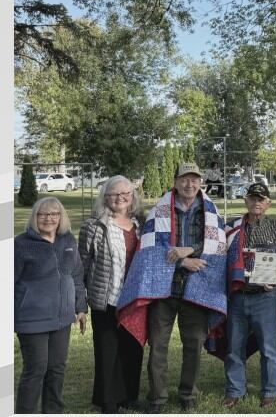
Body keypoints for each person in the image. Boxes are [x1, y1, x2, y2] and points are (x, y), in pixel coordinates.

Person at [116, 162, 228, 413]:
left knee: (193, 345)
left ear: (201, 182)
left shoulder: (211, 213)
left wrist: (192, 250)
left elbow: (217, 248)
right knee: (158, 346)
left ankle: (188, 393)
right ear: (176, 182)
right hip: (163, 289)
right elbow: (151, 250)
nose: (190, 184)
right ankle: (157, 398)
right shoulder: (159, 212)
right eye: (185, 179)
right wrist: (182, 260)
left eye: (194, 179)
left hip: (197, 288)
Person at [15, 197, 88, 413]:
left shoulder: (68, 241)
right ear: (34, 217)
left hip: (62, 318)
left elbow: (76, 275)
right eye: (43, 214)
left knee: (57, 369)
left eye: (54, 214)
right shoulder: (20, 245)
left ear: (61, 217)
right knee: (36, 369)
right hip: (31, 320)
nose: (49, 218)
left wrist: (81, 308)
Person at [79, 176, 145, 413]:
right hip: (105, 298)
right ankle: (108, 401)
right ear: (105, 197)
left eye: (125, 193)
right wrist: (81, 302)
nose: (120, 198)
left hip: (135, 298)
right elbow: (82, 266)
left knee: (133, 348)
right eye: (114, 194)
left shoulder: (141, 224)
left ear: (132, 196)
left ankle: (129, 396)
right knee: (107, 351)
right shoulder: (94, 226)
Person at [222, 183, 276, 409]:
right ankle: (235, 390)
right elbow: (221, 258)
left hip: (265, 297)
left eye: (261, 199)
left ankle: (270, 391)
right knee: (234, 346)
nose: (256, 203)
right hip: (238, 296)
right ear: (246, 201)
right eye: (252, 198)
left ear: (268, 203)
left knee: (268, 347)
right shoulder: (231, 228)